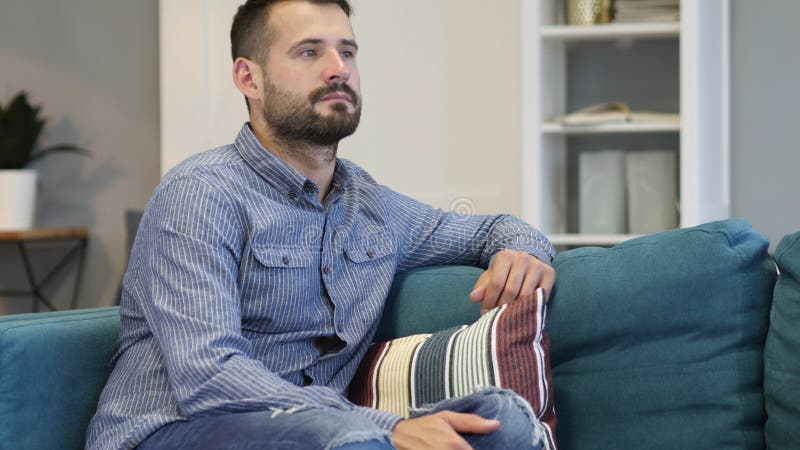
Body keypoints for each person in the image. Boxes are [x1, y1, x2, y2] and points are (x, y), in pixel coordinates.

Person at [86, 1, 556, 449]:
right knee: (346, 439)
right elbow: (209, 376)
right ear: (249, 77)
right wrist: (387, 427)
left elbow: (489, 230)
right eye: (310, 52)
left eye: (346, 51)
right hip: (174, 431)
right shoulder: (200, 194)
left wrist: (522, 250)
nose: (339, 68)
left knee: (505, 421)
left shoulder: (369, 206)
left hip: (335, 431)